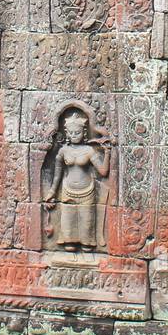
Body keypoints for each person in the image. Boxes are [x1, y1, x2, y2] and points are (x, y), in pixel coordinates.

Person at [44, 106, 111, 251]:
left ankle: (87, 244)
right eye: (72, 133)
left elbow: (103, 172)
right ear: (67, 133)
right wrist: (51, 192)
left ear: (84, 133)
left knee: (86, 231)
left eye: (78, 133)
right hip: (68, 191)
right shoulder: (63, 151)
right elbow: (57, 176)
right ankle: (69, 242)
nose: (75, 135)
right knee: (69, 236)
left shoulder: (89, 150)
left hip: (87, 192)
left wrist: (107, 153)